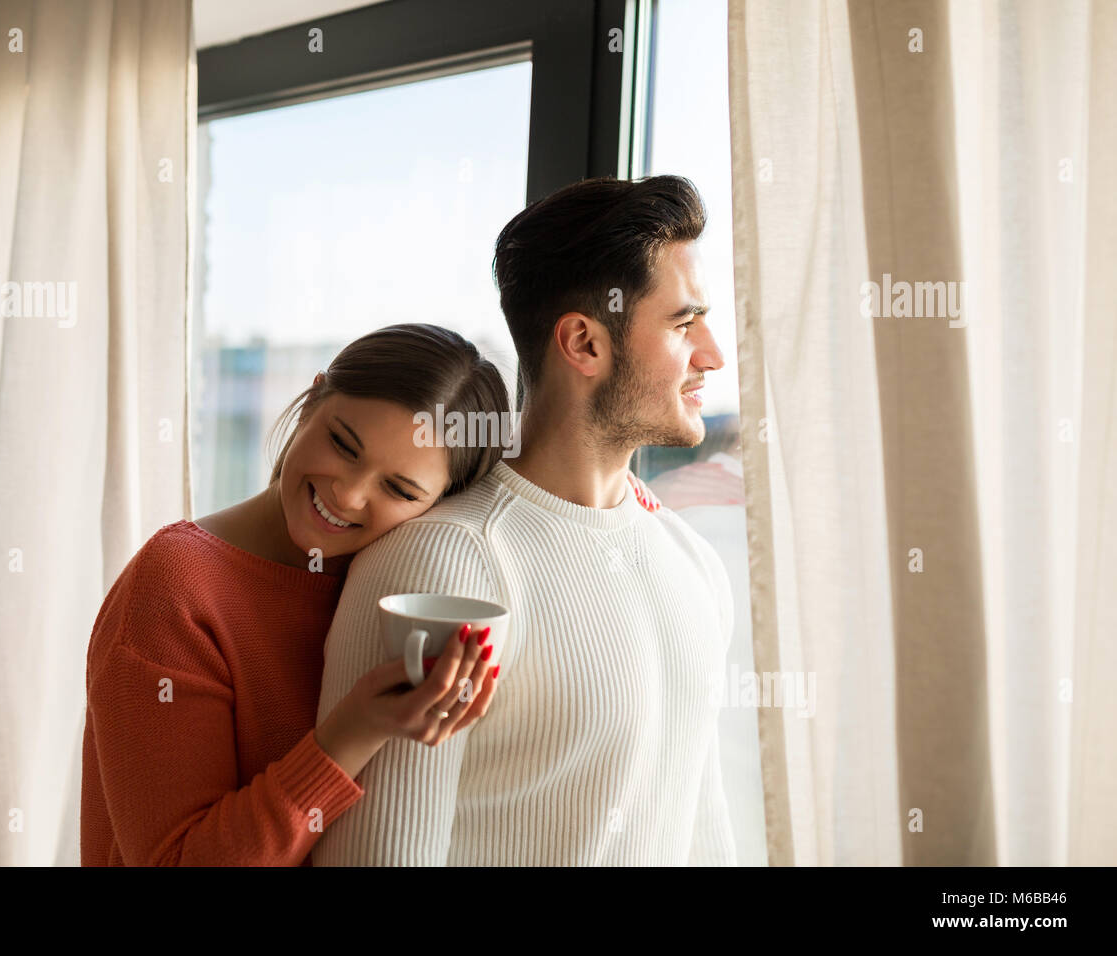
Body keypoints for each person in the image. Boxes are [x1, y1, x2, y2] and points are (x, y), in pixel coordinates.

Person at [79, 322, 662, 865]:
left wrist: (626, 503)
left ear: (441, 502)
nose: (349, 495)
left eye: (400, 487)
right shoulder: (176, 588)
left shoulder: (397, 574)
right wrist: (352, 731)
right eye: (343, 444)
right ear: (311, 401)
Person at [311, 175, 739, 866]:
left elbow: (704, 830)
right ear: (584, 343)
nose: (713, 354)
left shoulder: (693, 562)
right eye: (685, 323)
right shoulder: (443, 566)